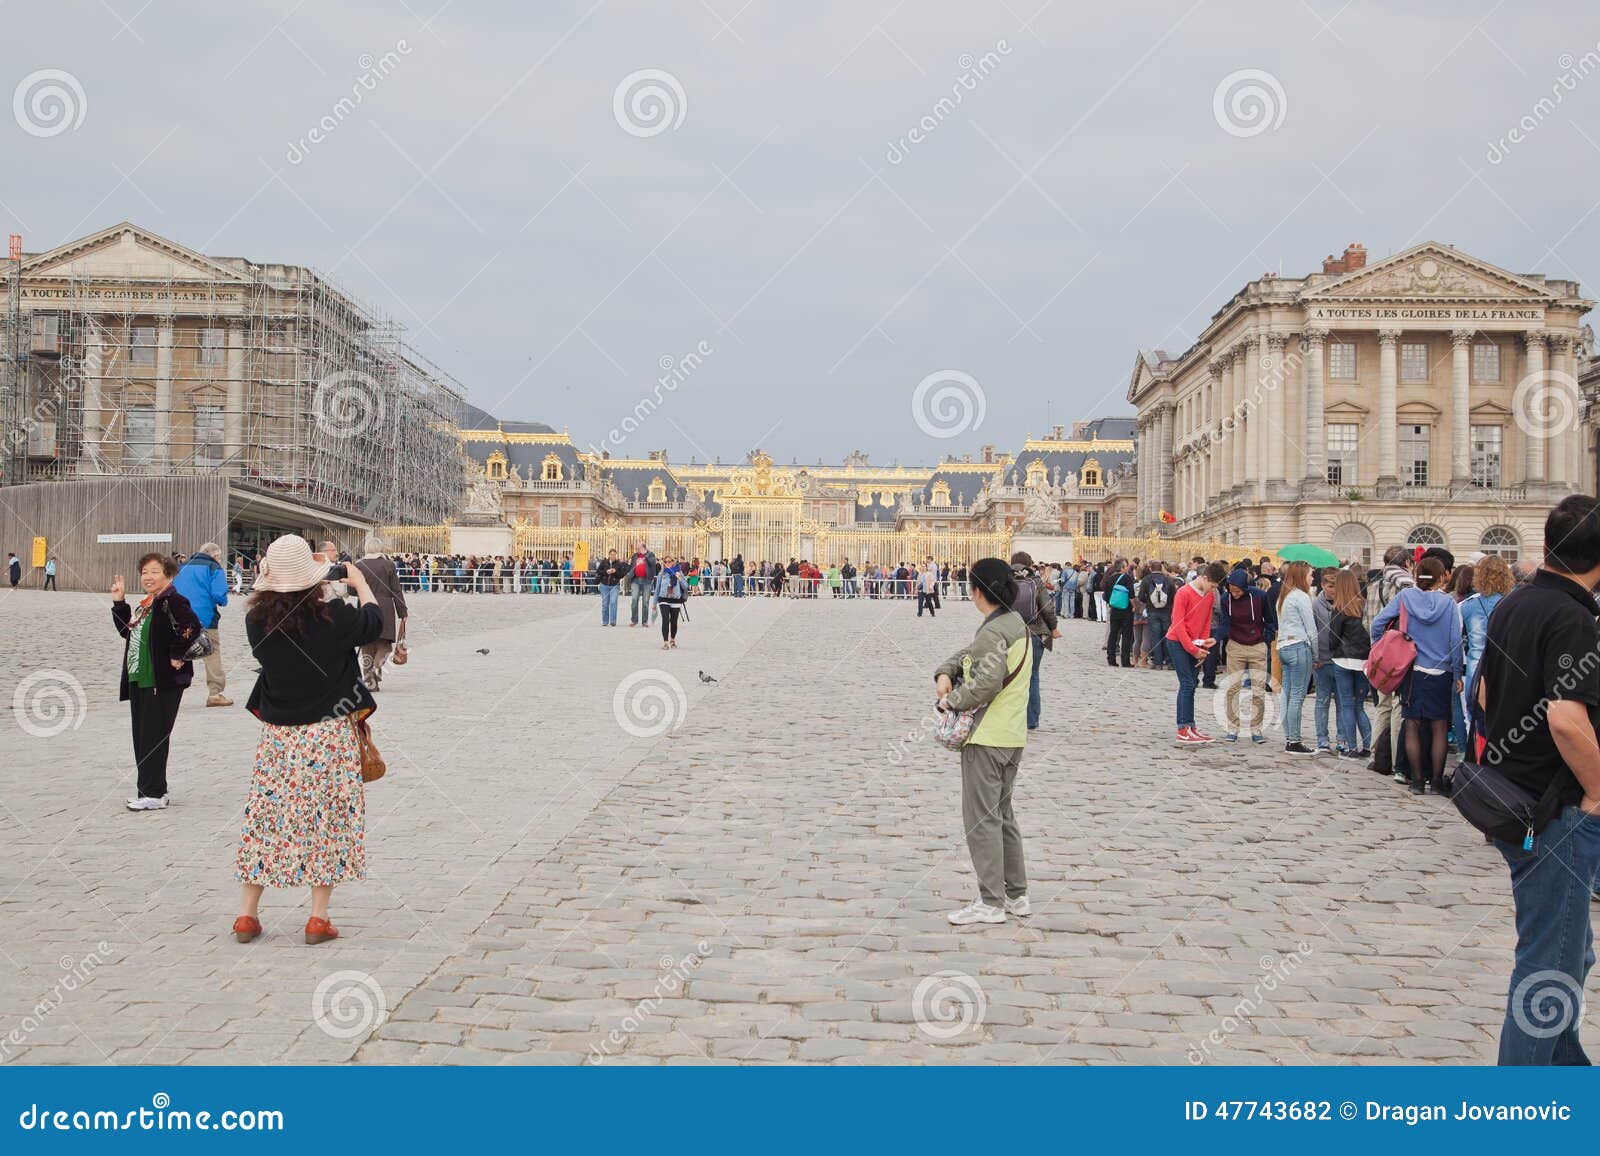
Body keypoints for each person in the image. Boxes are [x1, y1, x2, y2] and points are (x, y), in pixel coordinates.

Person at [1477, 495, 1600, 1065]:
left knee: (1573, 952)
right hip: (1557, 813)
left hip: (1510, 800)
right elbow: (1566, 718)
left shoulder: (1513, 603)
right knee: (1549, 964)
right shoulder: (1574, 618)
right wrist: (1598, 791)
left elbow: (1478, 693)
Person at [233, 534, 383, 946]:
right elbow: (374, 621)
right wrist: (358, 582)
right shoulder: (333, 616)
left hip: (279, 734)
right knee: (328, 820)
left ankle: (247, 915)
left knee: (266, 818)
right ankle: (317, 918)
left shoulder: (254, 622)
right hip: (328, 733)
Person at [934, 557, 1031, 926]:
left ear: (977, 591)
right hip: (1011, 734)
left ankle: (991, 901)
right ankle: (1016, 894)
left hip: (987, 736)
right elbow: (973, 655)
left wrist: (950, 700)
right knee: (1004, 816)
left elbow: (986, 682)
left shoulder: (993, 630)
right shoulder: (1012, 622)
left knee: (982, 820)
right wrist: (946, 669)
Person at [112, 553, 204, 811]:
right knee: (142, 736)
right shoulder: (147, 603)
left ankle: (153, 792)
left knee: (153, 736)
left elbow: (191, 627)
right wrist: (119, 603)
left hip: (161, 680)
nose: (148, 577)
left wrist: (176, 653)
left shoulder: (173, 600)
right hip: (140, 678)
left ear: (169, 574)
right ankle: (151, 790)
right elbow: (127, 632)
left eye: (154, 571)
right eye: (144, 572)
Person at [1371, 556, 1462, 795]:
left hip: (1412, 670)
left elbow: (1378, 623)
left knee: (1412, 724)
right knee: (1440, 726)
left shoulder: (1406, 597)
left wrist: (1380, 647)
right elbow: (1455, 642)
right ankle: (1436, 781)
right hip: (1441, 671)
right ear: (1442, 577)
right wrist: (1458, 673)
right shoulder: (1449, 604)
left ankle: (1417, 780)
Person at [1366, 546, 1416, 774]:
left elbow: (1368, 621)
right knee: (1398, 706)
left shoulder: (1375, 584)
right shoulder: (1406, 584)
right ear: (1407, 561)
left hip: (1379, 652)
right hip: (1400, 652)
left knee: (1382, 705)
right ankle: (1396, 761)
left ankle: (1376, 755)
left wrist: (1378, 645)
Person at [1216, 566, 1277, 743]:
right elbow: (1225, 622)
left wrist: (1266, 637)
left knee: (1258, 688)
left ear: (1245, 587)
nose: (1234, 594)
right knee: (1233, 687)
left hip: (1257, 645)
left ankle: (1256, 728)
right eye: (1231, 590)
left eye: (1237, 590)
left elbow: (1269, 619)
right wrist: (1218, 638)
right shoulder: (1226, 598)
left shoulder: (1259, 596)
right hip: (1236, 645)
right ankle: (1233, 728)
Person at [1165, 562, 1224, 744]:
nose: (1213, 590)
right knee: (1187, 684)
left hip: (1195, 644)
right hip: (1177, 641)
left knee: (1192, 685)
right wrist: (1192, 649)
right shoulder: (1183, 593)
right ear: (1204, 578)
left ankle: (1191, 726)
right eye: (1212, 586)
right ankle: (1183, 728)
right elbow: (1178, 624)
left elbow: (1207, 623)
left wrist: (1203, 648)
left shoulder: (1209, 595)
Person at [172, 542, 232, 707]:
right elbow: (219, 594)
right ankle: (215, 693)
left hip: (180, 618)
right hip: (205, 617)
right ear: (214, 555)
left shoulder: (182, 567)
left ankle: (168, 690)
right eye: (219, 557)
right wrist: (223, 601)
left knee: (177, 652)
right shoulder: (214, 567)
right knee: (211, 652)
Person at [1008, 552, 1061, 731]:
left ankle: (1009, 718)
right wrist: (1054, 627)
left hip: (1010, 634)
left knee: (1009, 676)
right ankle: (1031, 720)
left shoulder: (1004, 581)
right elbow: (1047, 607)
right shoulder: (1036, 582)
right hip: (1036, 631)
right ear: (1029, 565)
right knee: (1033, 676)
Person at [1326, 569, 1373, 759]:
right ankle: (1368, 746)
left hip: (1343, 660)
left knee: (1346, 705)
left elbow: (1333, 638)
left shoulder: (1339, 608)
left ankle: (1352, 747)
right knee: (1359, 705)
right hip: (1363, 660)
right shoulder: (1365, 606)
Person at [1460, 553, 1512, 722]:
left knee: (1474, 723)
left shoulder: (1467, 606)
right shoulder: (1513, 604)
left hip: (1475, 669)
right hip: (1505, 669)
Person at [354, 537, 408, 691]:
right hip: (385, 607)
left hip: (364, 605)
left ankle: (369, 681)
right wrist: (402, 612)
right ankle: (377, 667)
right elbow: (396, 590)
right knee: (384, 645)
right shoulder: (388, 565)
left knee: (367, 646)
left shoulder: (359, 565)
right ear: (381, 549)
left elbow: (352, 590)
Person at [1275, 560, 1316, 755]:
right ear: (1302, 576)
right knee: (1297, 697)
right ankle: (1294, 740)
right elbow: (1312, 629)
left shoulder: (1284, 596)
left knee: (1287, 695)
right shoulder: (1301, 596)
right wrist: (1316, 654)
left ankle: (1289, 737)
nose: (1312, 578)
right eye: (1310, 575)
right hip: (1299, 647)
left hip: (1283, 647)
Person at [1311, 568, 1338, 755]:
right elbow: (1312, 632)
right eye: (1330, 586)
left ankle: (1343, 738)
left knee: (1343, 703)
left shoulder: (1345, 602)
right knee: (1322, 700)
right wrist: (1315, 656)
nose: (1333, 590)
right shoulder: (1314, 605)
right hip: (1322, 659)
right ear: (1322, 585)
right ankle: (1322, 738)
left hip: (1340, 659)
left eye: (1336, 586)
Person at [1138, 562, 1173, 670]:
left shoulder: (1146, 579)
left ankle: (1158, 662)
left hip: (1152, 611)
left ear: (1150, 568)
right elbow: (1173, 594)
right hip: (1166, 611)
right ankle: (1170, 661)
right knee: (1167, 636)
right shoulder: (1168, 580)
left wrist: (1149, 602)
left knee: (1155, 636)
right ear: (1161, 568)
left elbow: (1140, 596)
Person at [1104, 559, 1136, 667]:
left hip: (1114, 609)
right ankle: (1125, 660)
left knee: (1113, 634)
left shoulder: (1110, 579)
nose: (1128, 568)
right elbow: (1131, 594)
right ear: (1122, 567)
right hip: (1126, 609)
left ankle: (1111, 659)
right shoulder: (1127, 577)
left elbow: (1106, 596)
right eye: (1126, 566)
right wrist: (1134, 606)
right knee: (1126, 635)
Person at [655, 555, 688, 649]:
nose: (667, 563)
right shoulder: (662, 573)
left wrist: (679, 578)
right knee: (665, 619)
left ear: (674, 562)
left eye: (669, 561)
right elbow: (657, 589)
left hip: (675, 599)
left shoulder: (679, 572)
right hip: (663, 598)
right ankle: (665, 642)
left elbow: (685, 587)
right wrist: (654, 603)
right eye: (665, 562)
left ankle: (672, 639)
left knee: (673, 621)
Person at [627, 544, 658, 627]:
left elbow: (653, 563)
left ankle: (644, 621)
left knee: (645, 602)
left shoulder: (650, 554)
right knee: (634, 600)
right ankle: (634, 620)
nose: (637, 549)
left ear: (643, 548)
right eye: (636, 548)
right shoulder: (634, 556)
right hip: (636, 580)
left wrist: (645, 554)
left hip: (647, 581)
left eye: (638, 548)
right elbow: (631, 566)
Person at [595, 548, 626, 625]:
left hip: (614, 586)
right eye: (612, 554)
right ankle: (605, 621)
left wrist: (615, 572)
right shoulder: (604, 562)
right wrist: (606, 572)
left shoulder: (618, 564)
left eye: (614, 555)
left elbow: (622, 575)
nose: (613, 556)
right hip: (604, 585)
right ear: (609, 555)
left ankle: (613, 621)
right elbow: (598, 571)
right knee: (605, 603)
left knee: (613, 602)